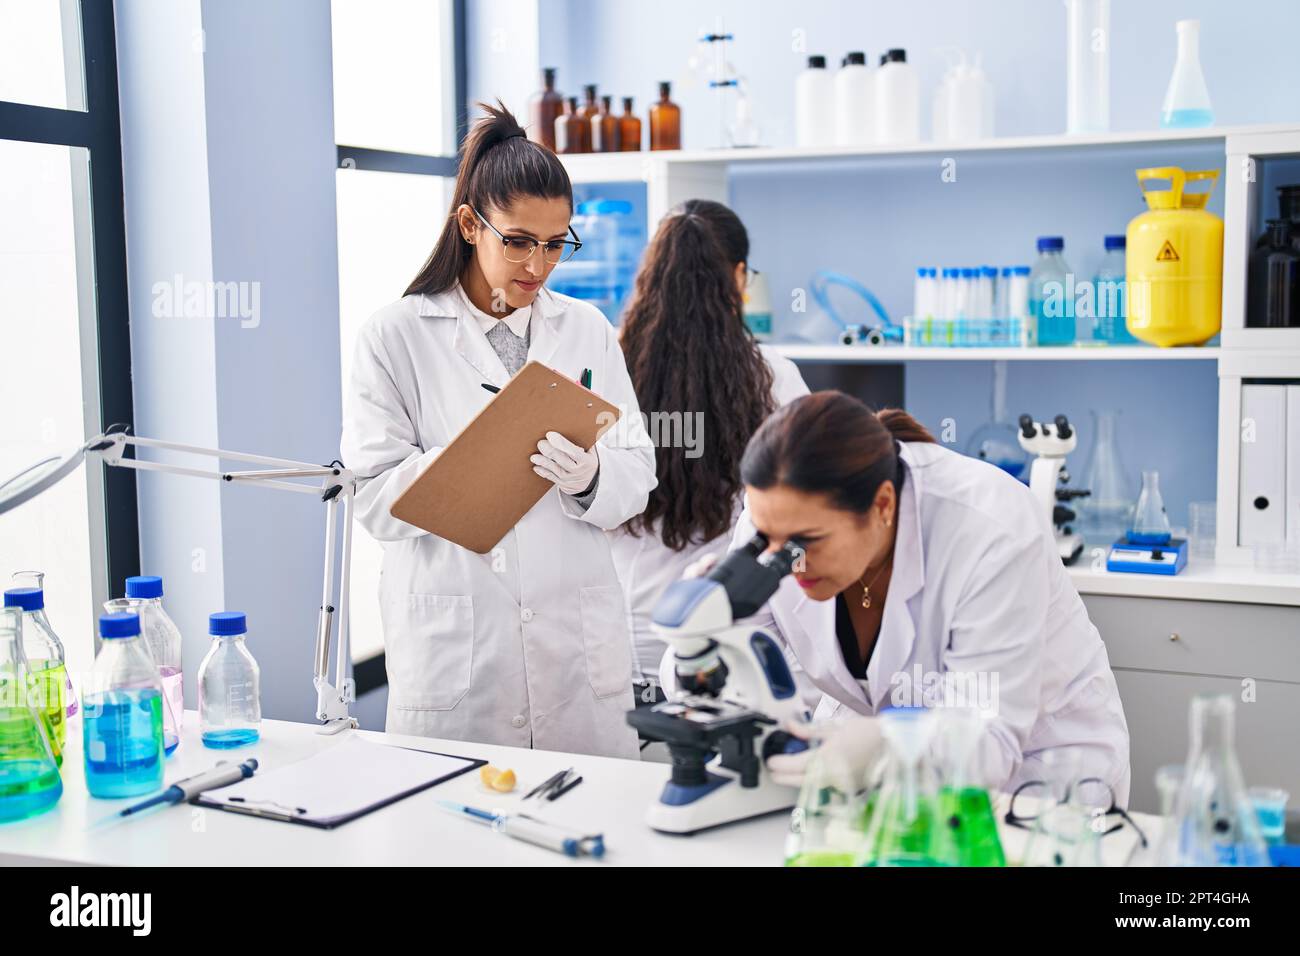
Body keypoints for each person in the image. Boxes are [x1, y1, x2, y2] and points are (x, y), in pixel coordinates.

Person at [341, 103, 656, 758]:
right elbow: (371, 498)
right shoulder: (394, 336)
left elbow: (638, 470)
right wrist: (480, 459)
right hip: (461, 665)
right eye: (517, 241)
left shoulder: (588, 329)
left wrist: (593, 475)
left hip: (576, 658)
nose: (537, 265)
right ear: (469, 225)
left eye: (554, 244)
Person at [665, 391, 1132, 805]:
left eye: (806, 543)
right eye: (767, 540)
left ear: (883, 505)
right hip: (877, 778)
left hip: (1039, 780)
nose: (790, 563)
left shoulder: (990, 527)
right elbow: (741, 672)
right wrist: (704, 638)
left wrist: (885, 746)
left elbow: (989, 741)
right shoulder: (778, 521)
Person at [610, 200, 808, 708]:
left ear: (650, 277)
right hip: (711, 642)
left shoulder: (605, 367)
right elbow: (807, 507)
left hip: (612, 648)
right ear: (739, 276)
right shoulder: (773, 378)